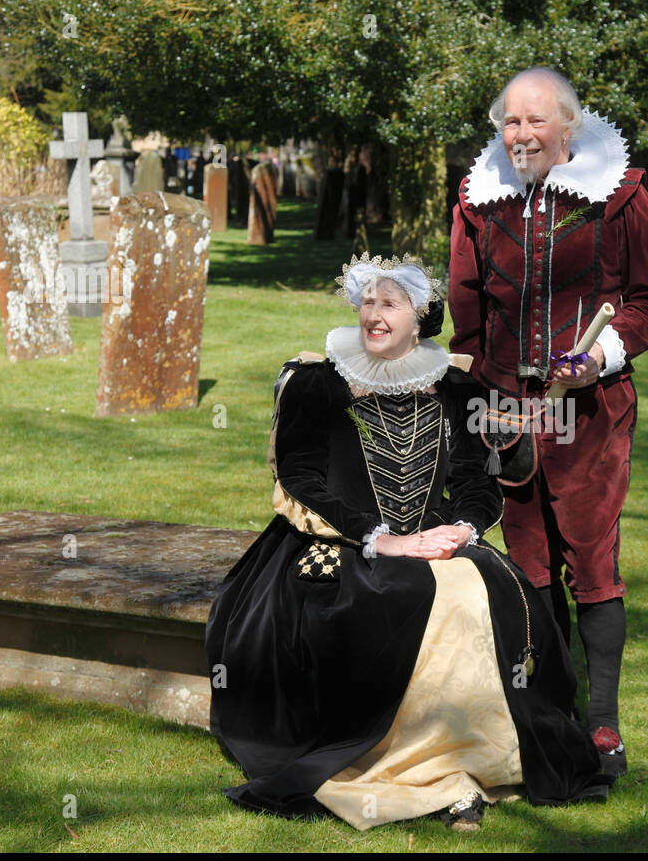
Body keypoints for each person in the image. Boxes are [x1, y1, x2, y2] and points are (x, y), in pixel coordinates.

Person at [206, 252, 608, 831]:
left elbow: (476, 481)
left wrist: (463, 529)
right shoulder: (316, 384)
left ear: (418, 318)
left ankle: (474, 762)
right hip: (337, 544)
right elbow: (301, 480)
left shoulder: (456, 388)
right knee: (387, 597)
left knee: (479, 591)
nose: (373, 313)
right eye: (367, 302)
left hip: (434, 540)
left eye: (388, 304)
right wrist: (378, 538)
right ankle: (400, 766)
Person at [449, 67, 648, 779]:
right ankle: (548, 714)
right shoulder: (477, 204)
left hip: (591, 414)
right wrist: (474, 398)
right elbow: (468, 314)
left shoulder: (621, 196)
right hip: (507, 410)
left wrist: (601, 355)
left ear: (569, 127)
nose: (521, 135)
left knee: (593, 559)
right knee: (527, 563)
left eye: (536, 121)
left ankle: (602, 726)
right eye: (510, 122)